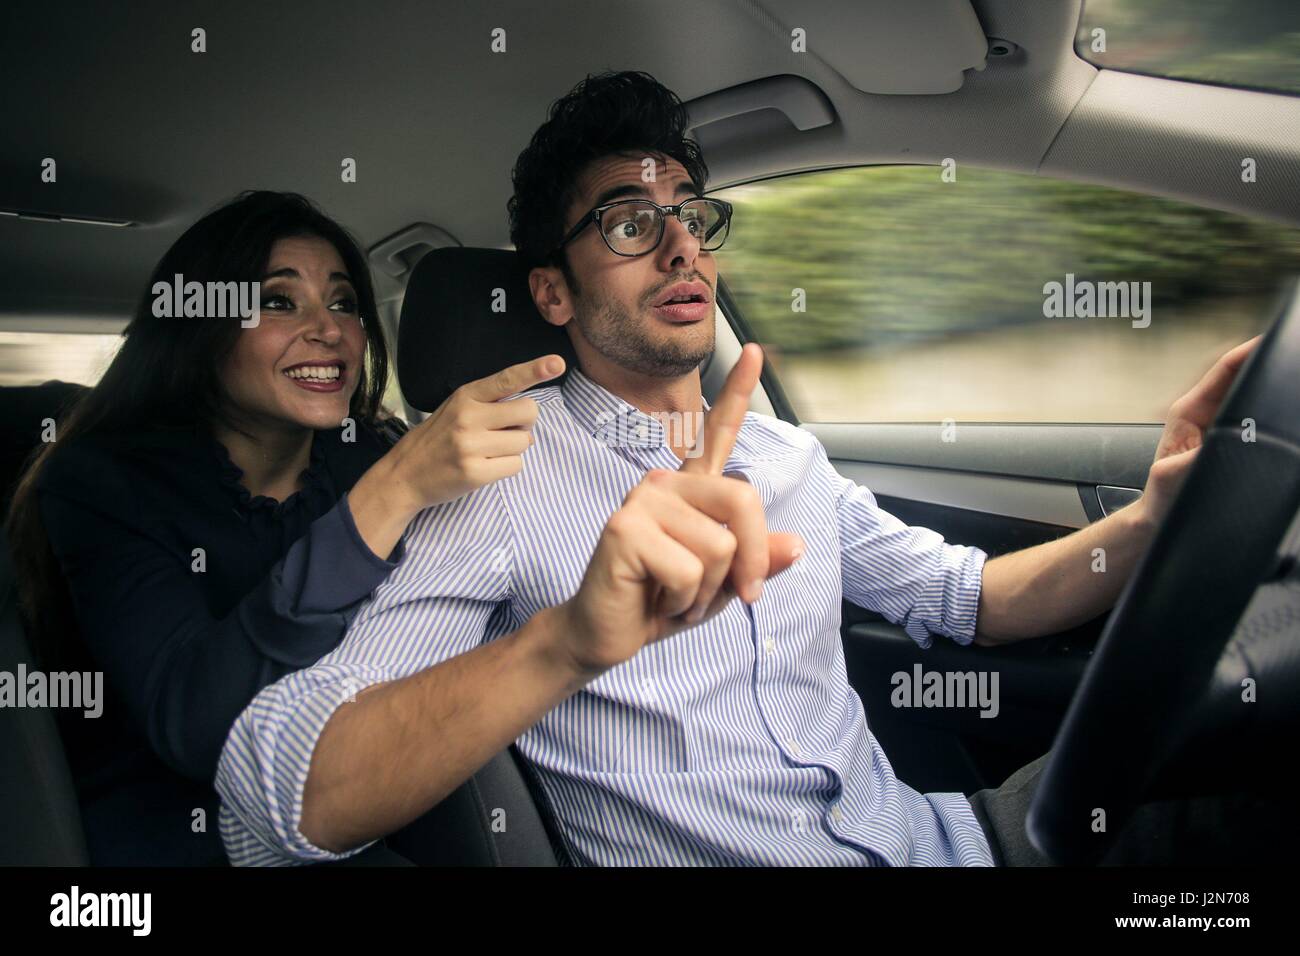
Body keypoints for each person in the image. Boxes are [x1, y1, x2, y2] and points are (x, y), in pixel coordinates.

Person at [215, 74, 1257, 866]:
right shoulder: (496, 471)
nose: (679, 243)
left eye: (690, 213)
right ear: (553, 294)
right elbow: (272, 791)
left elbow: (963, 596)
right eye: (628, 221)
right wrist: (566, 640)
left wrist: (1158, 518)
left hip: (948, 838)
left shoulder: (780, 448)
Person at [5, 190, 563, 865]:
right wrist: (390, 495)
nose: (328, 330)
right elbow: (194, 724)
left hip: (357, 807)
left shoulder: (370, 451)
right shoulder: (102, 484)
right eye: (278, 300)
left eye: (344, 302)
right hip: (174, 829)